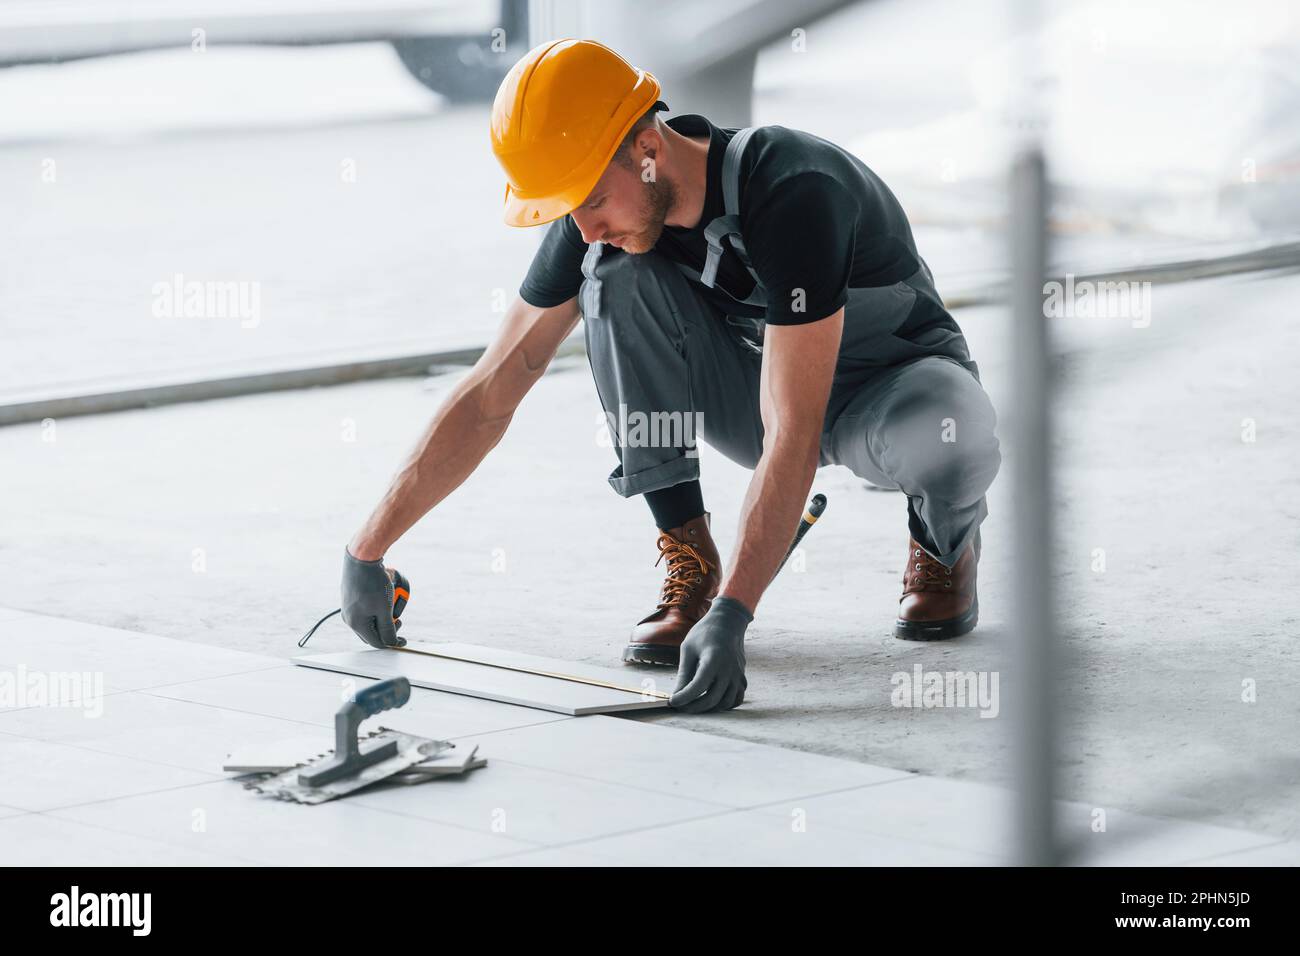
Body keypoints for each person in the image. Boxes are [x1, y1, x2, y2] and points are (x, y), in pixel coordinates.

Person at [340, 38, 1001, 715]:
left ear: (648, 151)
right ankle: (692, 559)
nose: (584, 226)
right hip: (764, 394)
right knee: (614, 279)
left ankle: (942, 545)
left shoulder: (795, 188)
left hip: (890, 396)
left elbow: (795, 433)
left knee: (952, 442)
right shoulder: (602, 219)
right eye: (570, 207)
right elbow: (491, 389)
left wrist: (736, 616)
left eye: (592, 199)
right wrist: (369, 548)